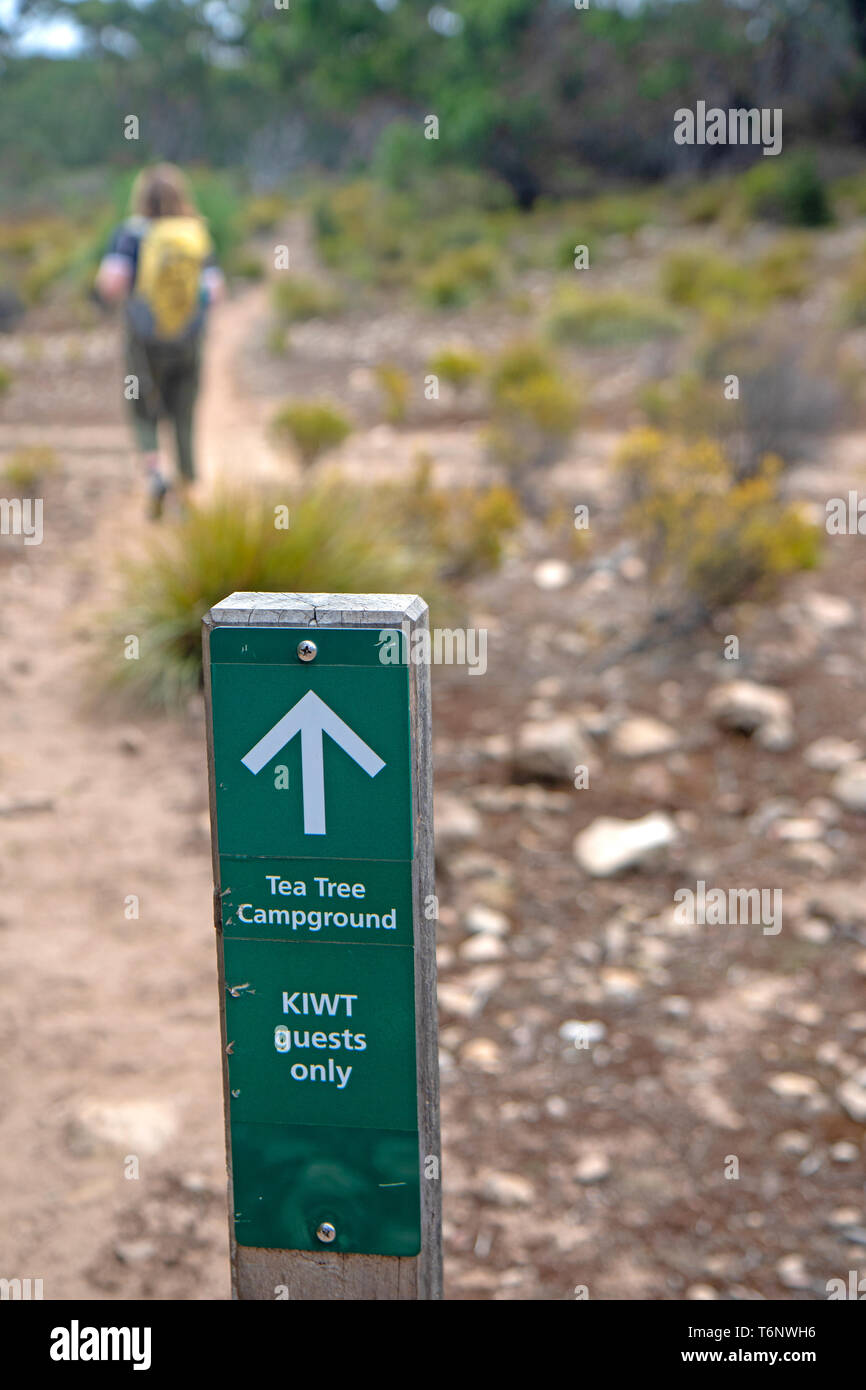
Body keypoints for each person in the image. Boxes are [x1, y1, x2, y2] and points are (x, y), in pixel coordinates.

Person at [96, 164, 224, 518]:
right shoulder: (196, 234)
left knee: (142, 409)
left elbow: (112, 283)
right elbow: (214, 290)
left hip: (143, 340)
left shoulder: (130, 235)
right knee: (184, 413)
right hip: (188, 339)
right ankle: (187, 489)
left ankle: (155, 476)